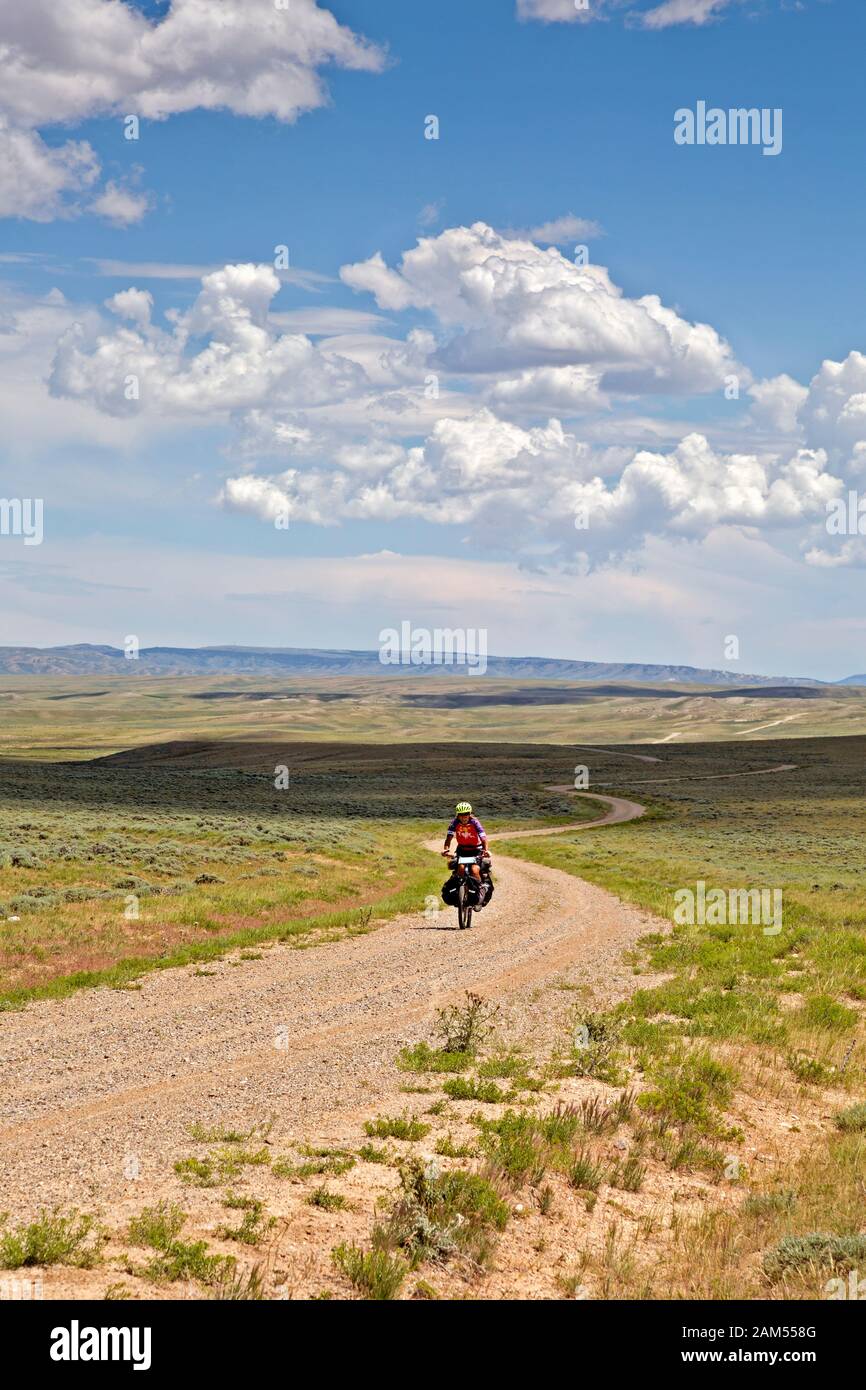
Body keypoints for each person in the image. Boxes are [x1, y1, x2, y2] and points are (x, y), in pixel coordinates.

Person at [442, 801, 489, 885]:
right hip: (462, 850)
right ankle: (460, 890)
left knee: (474, 870)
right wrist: (446, 850)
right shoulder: (454, 823)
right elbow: (448, 838)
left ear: (469, 814)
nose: (464, 817)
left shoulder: (475, 822)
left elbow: (483, 838)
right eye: (461, 814)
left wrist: (485, 850)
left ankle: (480, 889)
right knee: (460, 869)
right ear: (458, 815)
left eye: (466, 814)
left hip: (476, 849)